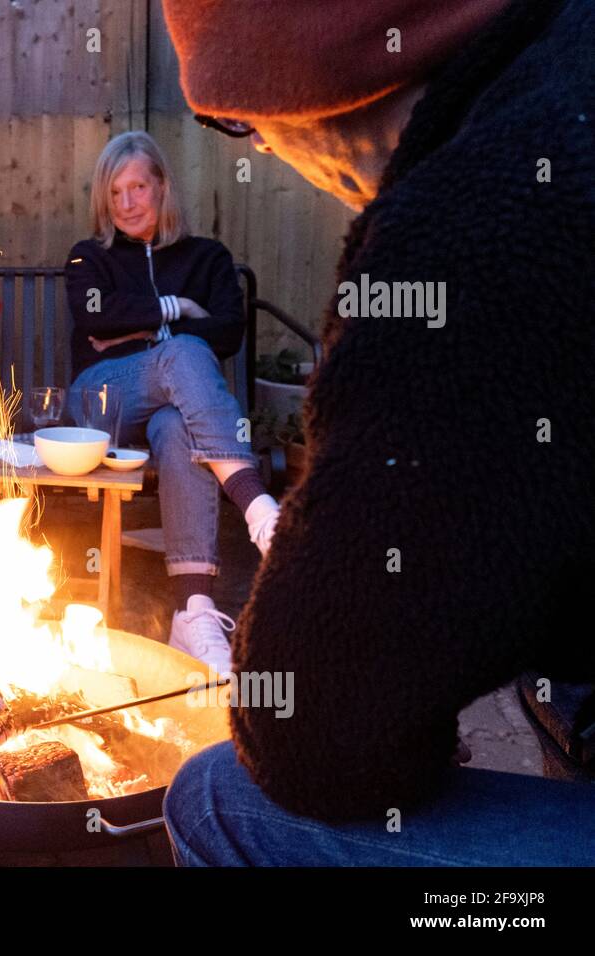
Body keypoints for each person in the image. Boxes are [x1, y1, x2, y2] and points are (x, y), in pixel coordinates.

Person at [159, 0, 595, 863]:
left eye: (242, 126)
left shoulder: (477, 221)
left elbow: (312, 735)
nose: (275, 161)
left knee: (222, 802)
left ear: (317, 85)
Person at [65, 131, 279, 674]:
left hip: (175, 411)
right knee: (183, 351)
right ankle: (258, 507)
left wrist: (137, 323)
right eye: (116, 193)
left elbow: (229, 329)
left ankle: (194, 612)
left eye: (139, 186)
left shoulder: (208, 258)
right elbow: (96, 320)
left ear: (162, 186)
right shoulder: (88, 258)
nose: (128, 203)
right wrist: (178, 308)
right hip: (101, 399)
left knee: (180, 429)